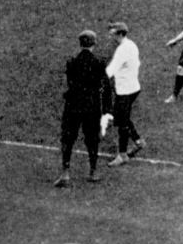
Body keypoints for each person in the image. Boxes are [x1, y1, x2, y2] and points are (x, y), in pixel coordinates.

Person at [55, 30, 114, 187]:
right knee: (92, 138)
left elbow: (70, 83)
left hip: (73, 104)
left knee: (68, 138)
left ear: (80, 43)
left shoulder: (72, 61)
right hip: (91, 106)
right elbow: (106, 88)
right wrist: (107, 109)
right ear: (94, 43)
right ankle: (93, 171)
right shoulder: (99, 63)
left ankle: (65, 172)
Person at [104, 22, 144, 167]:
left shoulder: (122, 50)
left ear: (120, 34)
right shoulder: (131, 45)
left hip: (125, 91)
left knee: (121, 122)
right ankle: (138, 141)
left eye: (113, 34)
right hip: (133, 88)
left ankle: (122, 155)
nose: (111, 36)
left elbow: (111, 70)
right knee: (122, 117)